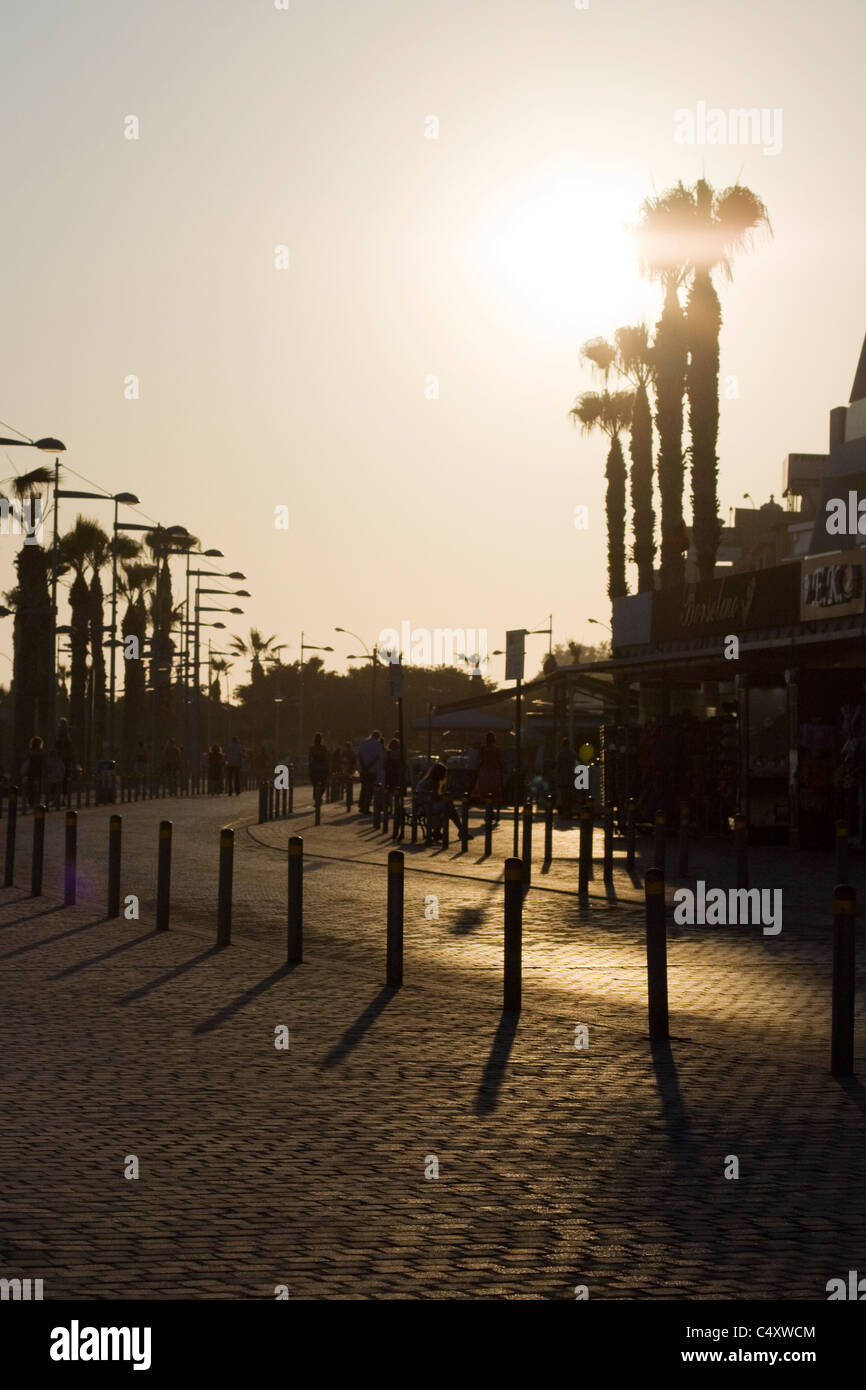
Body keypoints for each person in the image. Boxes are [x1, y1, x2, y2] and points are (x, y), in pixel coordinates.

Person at [415, 761, 471, 841]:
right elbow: (435, 797)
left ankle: (439, 832)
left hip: (423, 804)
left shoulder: (428, 780)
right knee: (449, 808)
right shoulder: (432, 782)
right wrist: (447, 797)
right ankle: (460, 831)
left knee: (448, 808)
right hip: (425, 806)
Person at [470, 731, 503, 824]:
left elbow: (479, 760)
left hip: (485, 772)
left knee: (486, 793)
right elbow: (500, 761)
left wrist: (478, 770)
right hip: (494, 771)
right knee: (496, 793)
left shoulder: (483, 749)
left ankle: (489, 812)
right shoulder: (497, 749)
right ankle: (496, 813)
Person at [357, 729, 384, 815]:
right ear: (378, 736)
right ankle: (366, 807)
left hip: (363, 769)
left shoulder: (363, 742)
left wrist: (363, 767)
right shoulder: (377, 744)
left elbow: (359, 755)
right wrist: (368, 766)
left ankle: (361, 806)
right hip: (372, 770)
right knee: (370, 790)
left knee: (364, 787)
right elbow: (377, 758)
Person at [54, 718, 75, 798]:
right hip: (59, 762)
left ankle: (62, 797)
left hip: (65, 762)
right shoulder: (59, 738)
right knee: (58, 780)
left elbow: (71, 751)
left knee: (64, 780)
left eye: (62, 725)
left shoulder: (67, 738)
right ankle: (58, 797)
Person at [556, 737, 575, 819]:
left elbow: (558, 767)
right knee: (570, 797)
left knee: (563, 797)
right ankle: (569, 813)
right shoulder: (572, 754)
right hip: (571, 779)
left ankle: (564, 813)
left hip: (563, 779)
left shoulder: (560, 754)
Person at [23, 735, 44, 809]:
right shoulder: (39, 754)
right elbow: (40, 765)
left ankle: (32, 802)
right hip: (36, 774)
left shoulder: (31, 753)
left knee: (31, 788)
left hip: (31, 774)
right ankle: (35, 802)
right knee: (36, 789)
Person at [308, 732, 329, 806]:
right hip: (321, 770)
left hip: (315, 770)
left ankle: (317, 797)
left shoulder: (313, 748)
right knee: (322, 785)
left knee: (315, 785)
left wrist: (310, 768)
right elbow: (326, 759)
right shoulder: (322, 748)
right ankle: (318, 796)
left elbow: (310, 759)